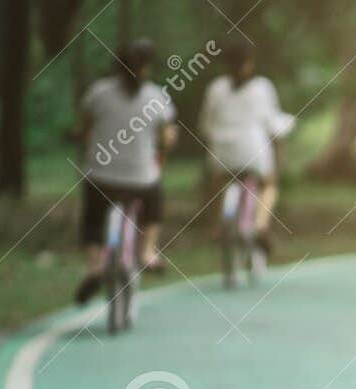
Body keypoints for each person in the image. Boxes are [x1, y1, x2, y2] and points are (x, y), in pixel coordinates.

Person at [74, 39, 177, 304]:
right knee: (154, 199)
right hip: (141, 179)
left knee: (93, 219)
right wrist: (164, 149)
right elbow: (166, 139)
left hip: (101, 176)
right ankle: (147, 252)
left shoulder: (97, 92)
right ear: (149, 66)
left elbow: (84, 127)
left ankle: (95, 266)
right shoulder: (157, 96)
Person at [200, 38, 295, 258]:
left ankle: (218, 225)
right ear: (250, 62)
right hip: (253, 152)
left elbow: (205, 126)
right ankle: (260, 224)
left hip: (221, 151)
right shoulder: (262, 87)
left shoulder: (215, 88)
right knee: (270, 183)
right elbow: (273, 124)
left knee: (217, 182)